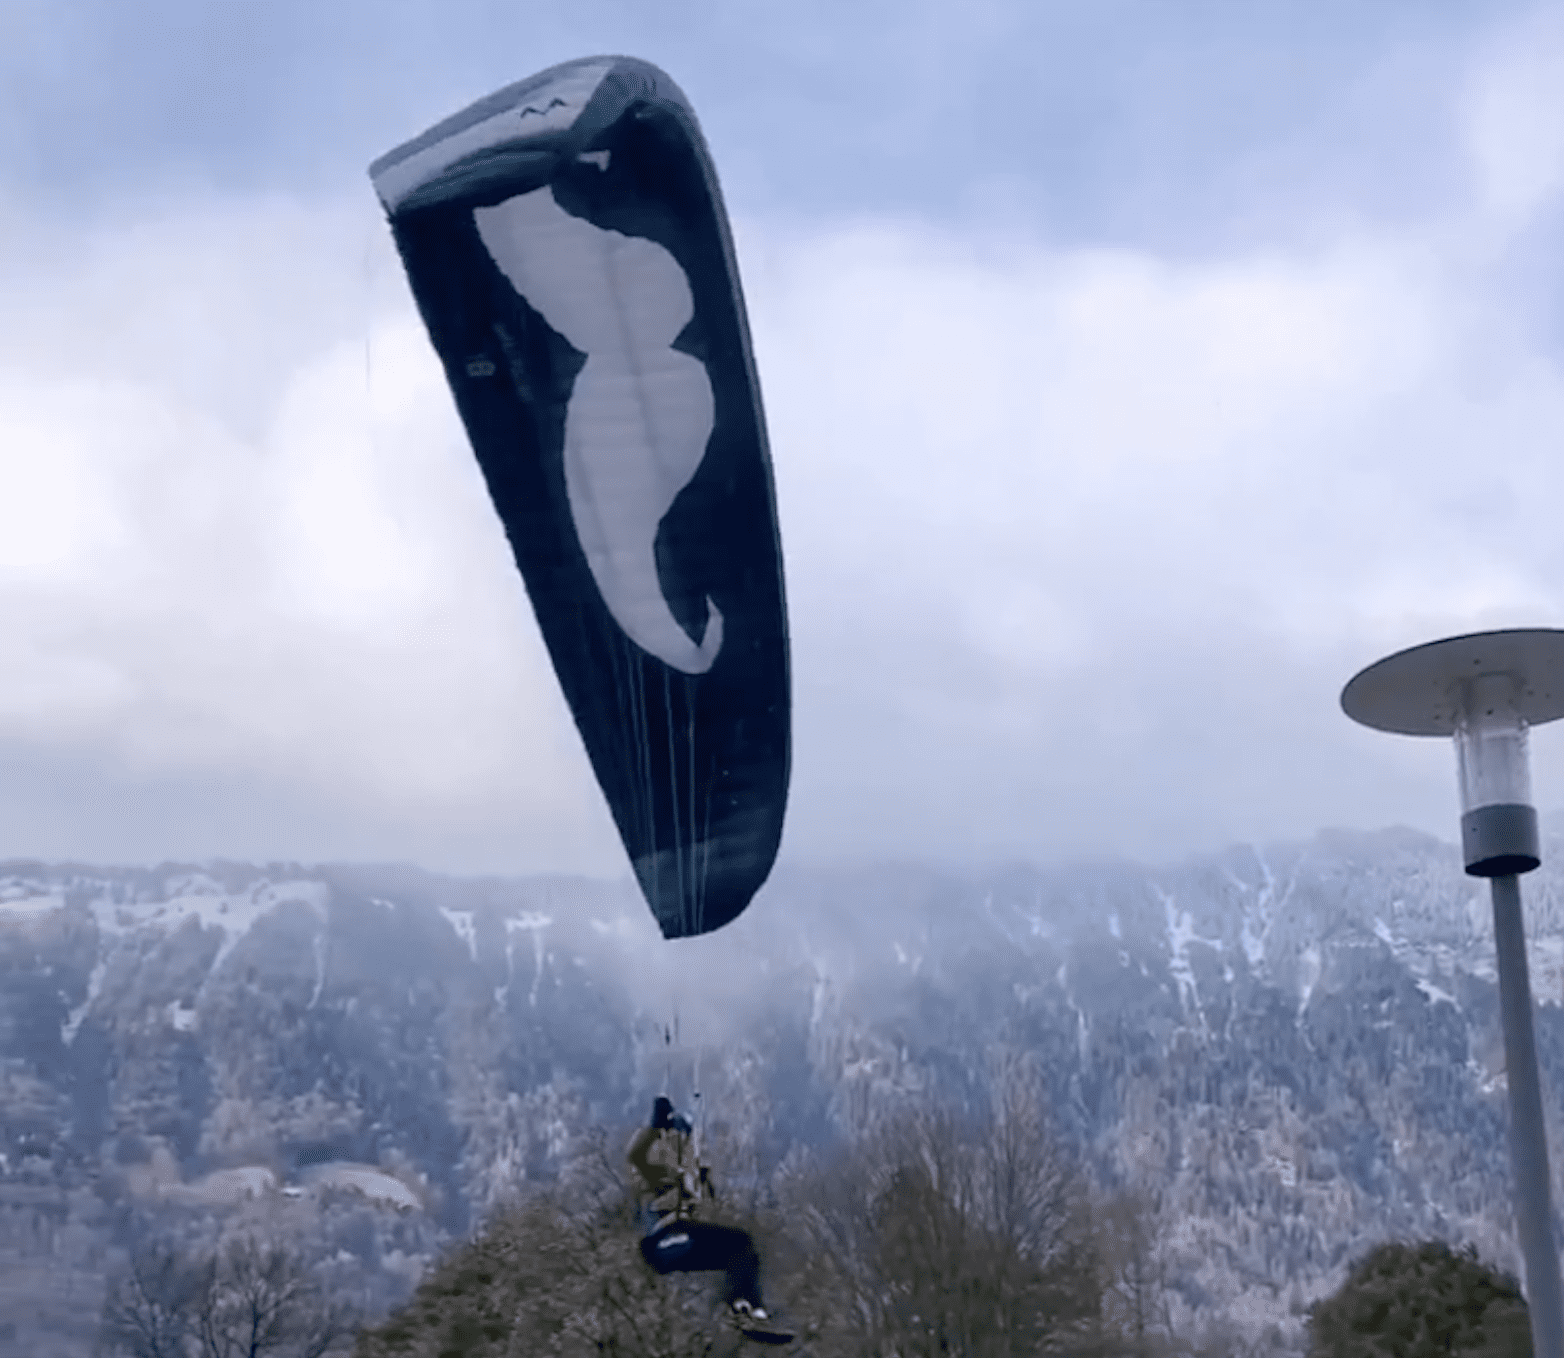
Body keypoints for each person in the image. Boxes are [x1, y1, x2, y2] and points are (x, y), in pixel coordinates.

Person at [626, 1096, 791, 1344]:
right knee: (737, 1241)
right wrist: (656, 1126)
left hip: (681, 1241)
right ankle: (739, 1304)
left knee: (743, 1248)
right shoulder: (652, 1174)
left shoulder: (682, 1181)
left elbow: (699, 1196)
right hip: (662, 1241)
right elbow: (636, 1152)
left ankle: (750, 1308)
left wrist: (701, 1179)